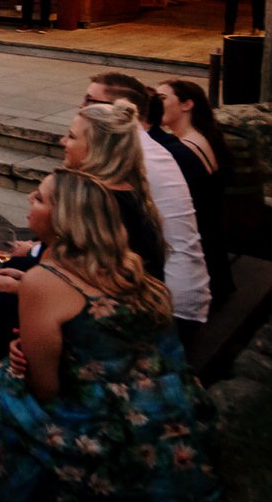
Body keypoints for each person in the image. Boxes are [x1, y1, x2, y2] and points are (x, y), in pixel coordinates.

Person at [0, 170, 220, 502]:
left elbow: (45, 389)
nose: (30, 198)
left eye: (40, 197)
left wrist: (22, 362)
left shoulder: (44, 282)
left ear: (63, 221)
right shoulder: (135, 273)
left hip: (109, 439)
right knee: (1, 374)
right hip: (174, 424)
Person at [86, 73, 212, 326]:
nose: (81, 109)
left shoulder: (130, 156)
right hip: (176, 285)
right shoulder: (143, 146)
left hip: (168, 302)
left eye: (90, 102)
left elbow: (97, 239)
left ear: (118, 110)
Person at [152, 79, 236, 303]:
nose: (155, 106)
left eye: (161, 99)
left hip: (199, 254)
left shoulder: (187, 149)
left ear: (186, 105)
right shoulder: (200, 137)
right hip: (211, 247)